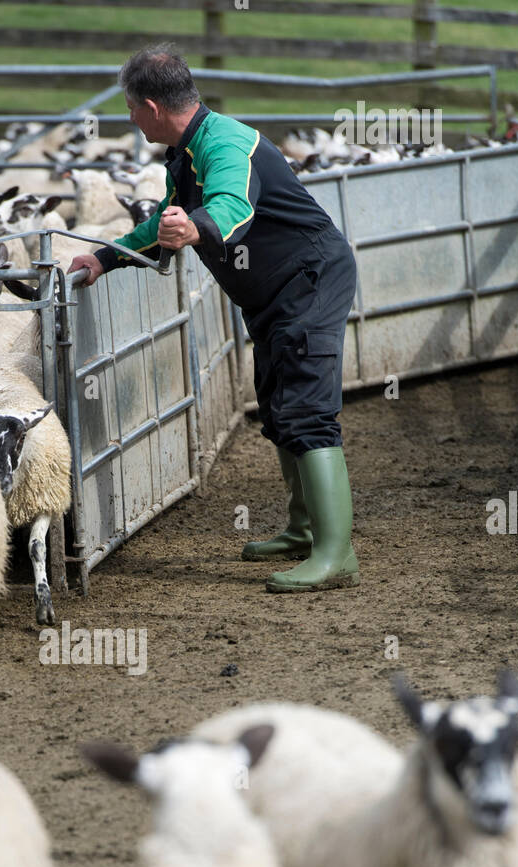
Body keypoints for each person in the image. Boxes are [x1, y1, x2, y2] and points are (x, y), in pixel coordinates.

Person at [68, 46, 359, 593]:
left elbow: (232, 206)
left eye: (131, 109)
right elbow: (166, 218)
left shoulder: (225, 142)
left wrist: (195, 229)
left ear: (152, 106)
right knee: (277, 403)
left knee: (307, 408)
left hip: (308, 282)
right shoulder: (187, 150)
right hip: (276, 293)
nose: (129, 120)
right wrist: (104, 258)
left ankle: (337, 554)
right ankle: (304, 530)